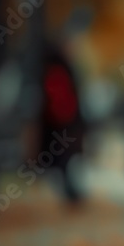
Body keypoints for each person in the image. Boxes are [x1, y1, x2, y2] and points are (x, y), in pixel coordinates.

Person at [38, 42, 86, 204]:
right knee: (64, 162)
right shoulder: (59, 70)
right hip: (64, 125)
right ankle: (70, 194)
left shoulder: (54, 68)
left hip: (61, 125)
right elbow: (62, 101)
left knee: (63, 163)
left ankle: (70, 193)